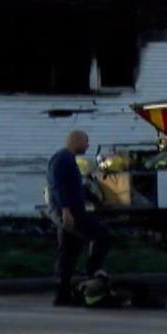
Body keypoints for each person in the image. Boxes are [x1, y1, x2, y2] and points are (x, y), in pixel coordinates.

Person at [47, 130, 113, 306]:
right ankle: (92, 271)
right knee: (101, 235)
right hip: (69, 213)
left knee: (69, 252)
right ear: (75, 141)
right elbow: (57, 187)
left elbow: (78, 188)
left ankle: (62, 295)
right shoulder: (61, 159)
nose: (88, 145)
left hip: (72, 211)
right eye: (86, 141)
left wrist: (97, 200)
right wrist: (66, 211)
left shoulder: (69, 160)